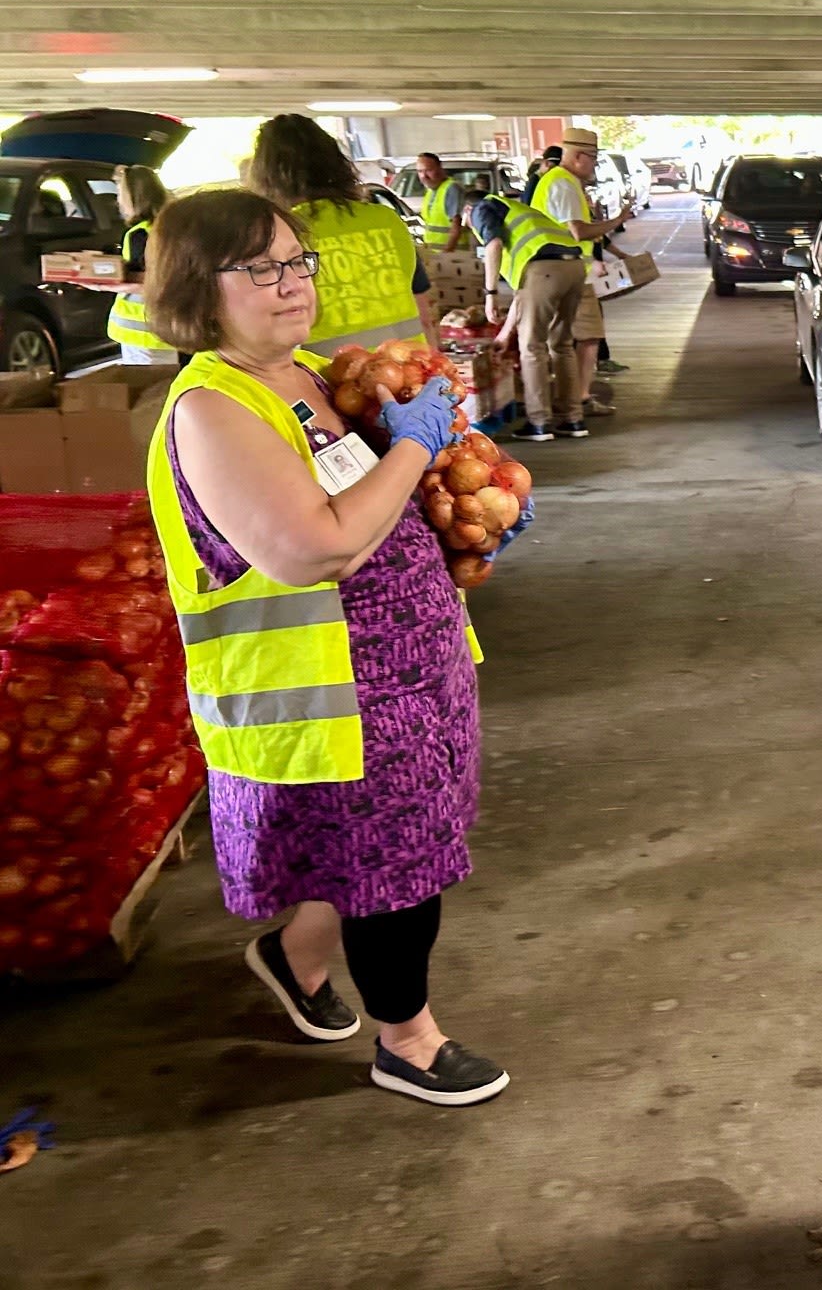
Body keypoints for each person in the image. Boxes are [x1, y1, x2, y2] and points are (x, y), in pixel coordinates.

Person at [140, 187, 509, 1105]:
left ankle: (294, 956)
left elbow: (380, 505)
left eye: (295, 261)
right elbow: (316, 546)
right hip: (333, 692)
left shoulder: (303, 375)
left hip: (407, 670)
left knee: (378, 852)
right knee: (396, 872)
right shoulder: (214, 411)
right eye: (258, 268)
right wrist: (411, 453)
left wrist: (472, 515)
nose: (289, 284)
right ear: (195, 285)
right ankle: (408, 1042)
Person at [245, 114, 439, 355]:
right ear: (336, 163)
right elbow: (422, 306)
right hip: (407, 371)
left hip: (330, 378)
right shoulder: (386, 220)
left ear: (266, 175)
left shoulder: (282, 233)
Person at [464, 190, 589, 443]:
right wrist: (505, 332)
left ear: (467, 209)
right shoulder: (516, 211)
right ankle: (573, 419)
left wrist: (490, 294)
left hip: (543, 271)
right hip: (574, 267)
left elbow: (494, 245)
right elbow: (524, 294)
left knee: (532, 348)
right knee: (562, 345)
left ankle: (539, 422)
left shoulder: (482, 208)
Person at [531, 126, 633, 427]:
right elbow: (577, 231)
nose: (594, 165)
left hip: (562, 271)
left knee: (574, 340)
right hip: (564, 272)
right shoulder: (563, 184)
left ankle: (574, 402)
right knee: (577, 340)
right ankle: (569, 406)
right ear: (578, 157)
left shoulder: (560, 182)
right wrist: (616, 221)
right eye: (593, 158)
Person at [108, 165, 176, 364]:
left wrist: (106, 283)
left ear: (133, 197)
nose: (118, 200)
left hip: (141, 332)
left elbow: (146, 280)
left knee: (149, 389)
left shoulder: (139, 234)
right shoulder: (168, 227)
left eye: (120, 193)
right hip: (165, 325)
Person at [414, 152, 466, 253]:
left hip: (453, 258)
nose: (424, 176)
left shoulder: (452, 189)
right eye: (420, 171)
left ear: (440, 168)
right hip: (434, 256)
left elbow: (456, 227)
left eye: (428, 170)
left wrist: (446, 254)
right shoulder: (431, 191)